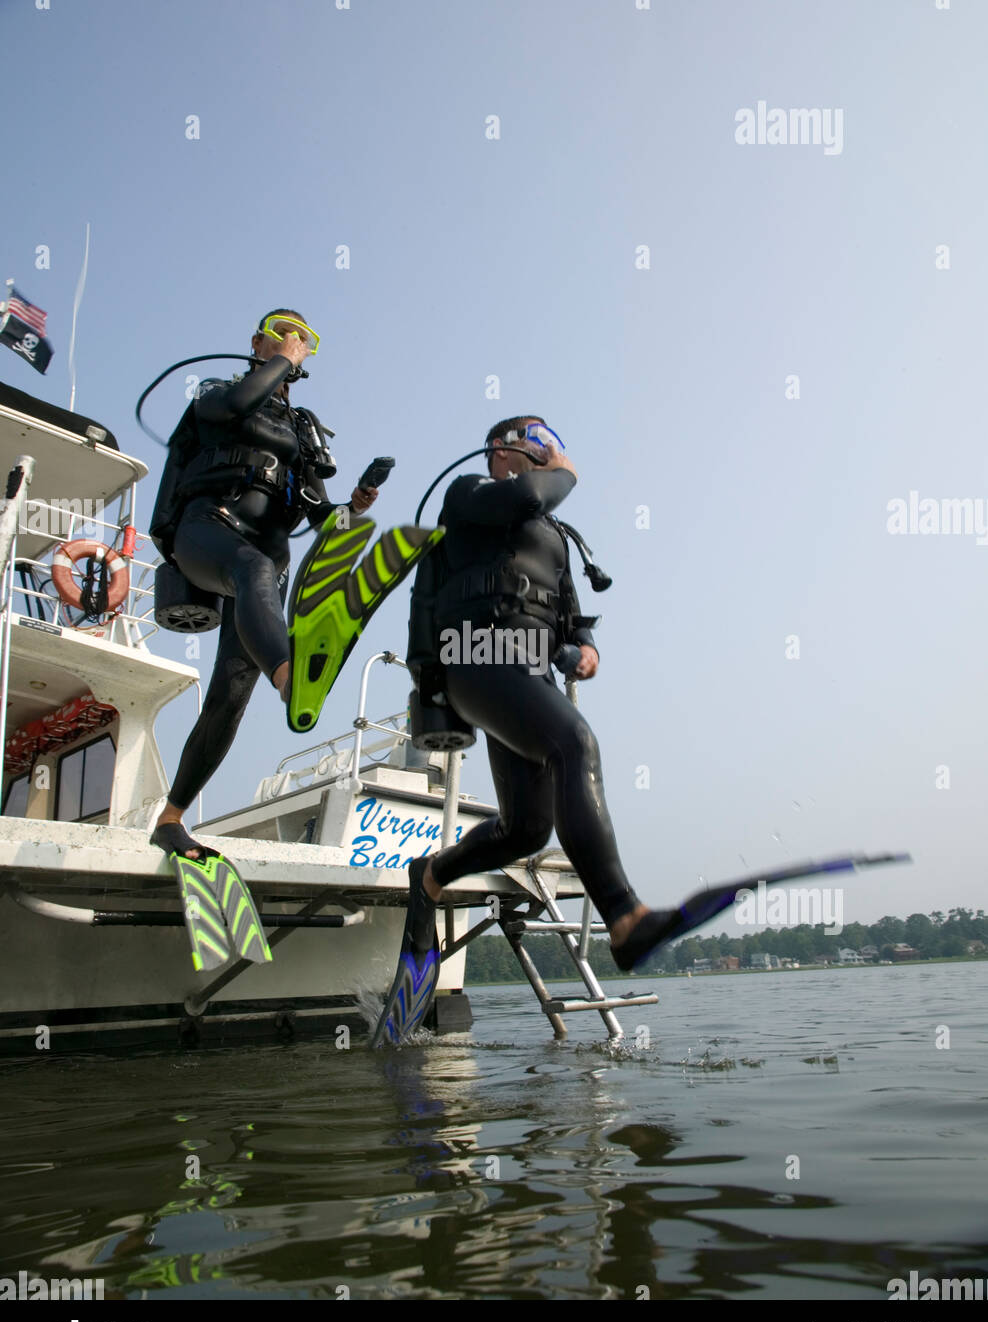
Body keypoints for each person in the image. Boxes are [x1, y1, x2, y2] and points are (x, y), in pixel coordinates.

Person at [403, 415, 681, 972]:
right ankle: (624, 917)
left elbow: (570, 614)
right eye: (540, 442)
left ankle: (429, 876)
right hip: (475, 655)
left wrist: (585, 648)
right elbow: (535, 490)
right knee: (576, 744)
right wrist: (566, 470)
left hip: (528, 670)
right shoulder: (472, 495)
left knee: (528, 829)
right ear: (501, 452)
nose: (552, 454)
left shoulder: (553, 536)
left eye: (555, 446)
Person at [149, 309, 378, 858]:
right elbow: (234, 407)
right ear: (257, 341)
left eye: (304, 339)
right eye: (281, 331)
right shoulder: (219, 391)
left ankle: (171, 819)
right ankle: (290, 676)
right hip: (208, 533)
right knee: (250, 569)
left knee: (229, 696)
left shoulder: (302, 430)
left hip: (266, 563)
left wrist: (356, 505)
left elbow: (325, 520)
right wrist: (280, 361)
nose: (295, 341)